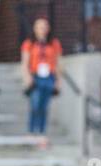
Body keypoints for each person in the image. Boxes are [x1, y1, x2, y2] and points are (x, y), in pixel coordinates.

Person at [21, 17, 61, 146]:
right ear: (35, 29)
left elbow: (58, 63)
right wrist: (27, 77)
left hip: (49, 77)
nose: (42, 30)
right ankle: (32, 131)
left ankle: (42, 133)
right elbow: (25, 63)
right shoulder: (29, 43)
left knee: (44, 106)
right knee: (35, 105)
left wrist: (58, 80)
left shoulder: (54, 43)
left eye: (44, 27)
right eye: (39, 27)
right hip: (35, 76)